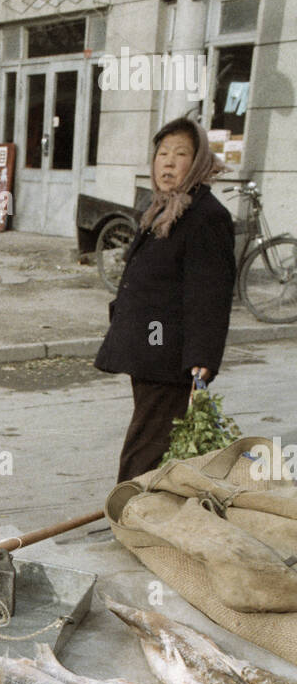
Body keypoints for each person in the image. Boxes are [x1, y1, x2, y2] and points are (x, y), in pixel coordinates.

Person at [94, 117, 236, 482]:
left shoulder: (207, 217)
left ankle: (128, 516)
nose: (168, 162)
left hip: (168, 356)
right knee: (153, 441)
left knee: (145, 445)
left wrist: (202, 358)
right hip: (147, 349)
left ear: (199, 162)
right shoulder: (165, 207)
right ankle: (143, 515)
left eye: (181, 154)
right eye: (162, 153)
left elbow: (209, 294)